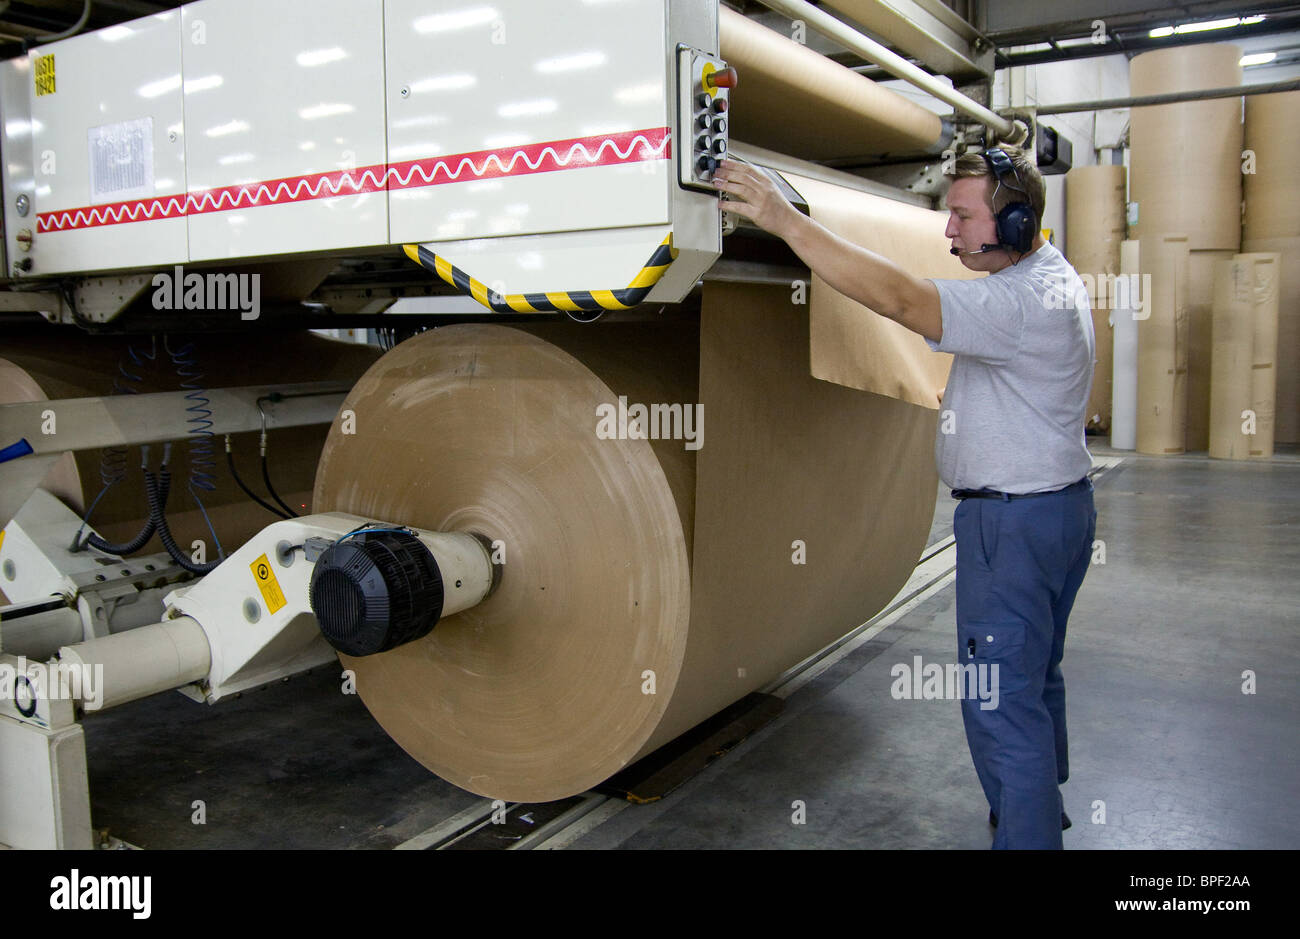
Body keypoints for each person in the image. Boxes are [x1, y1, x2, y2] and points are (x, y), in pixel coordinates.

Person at [711, 147, 1097, 850]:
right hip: (1060, 510)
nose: (948, 232)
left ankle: (1029, 830)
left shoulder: (1012, 304)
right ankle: (1036, 804)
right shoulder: (1053, 274)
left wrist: (782, 219)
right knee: (1035, 675)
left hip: (1010, 526)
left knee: (999, 700)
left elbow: (897, 297)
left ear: (1013, 222)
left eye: (961, 215)